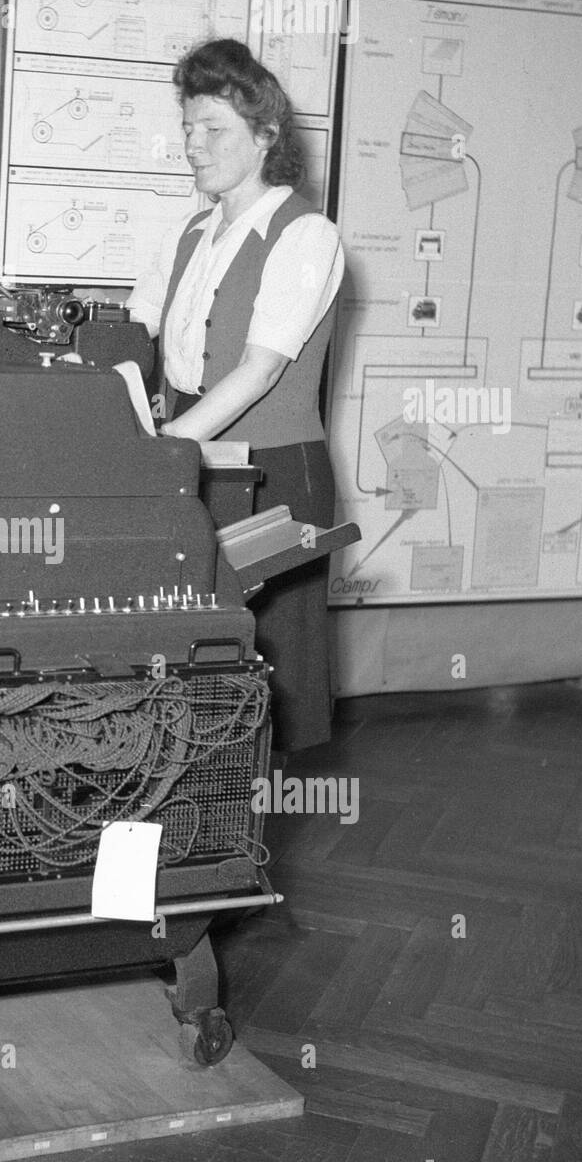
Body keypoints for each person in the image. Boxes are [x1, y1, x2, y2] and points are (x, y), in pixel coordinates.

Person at [126, 39, 345, 753]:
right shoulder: (191, 232)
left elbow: (258, 370)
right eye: (188, 128)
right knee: (201, 675)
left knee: (268, 687)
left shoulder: (306, 235)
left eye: (213, 129)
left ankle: (260, 850)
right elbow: (136, 331)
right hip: (201, 468)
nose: (192, 145)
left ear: (265, 138)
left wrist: (165, 450)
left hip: (276, 480)